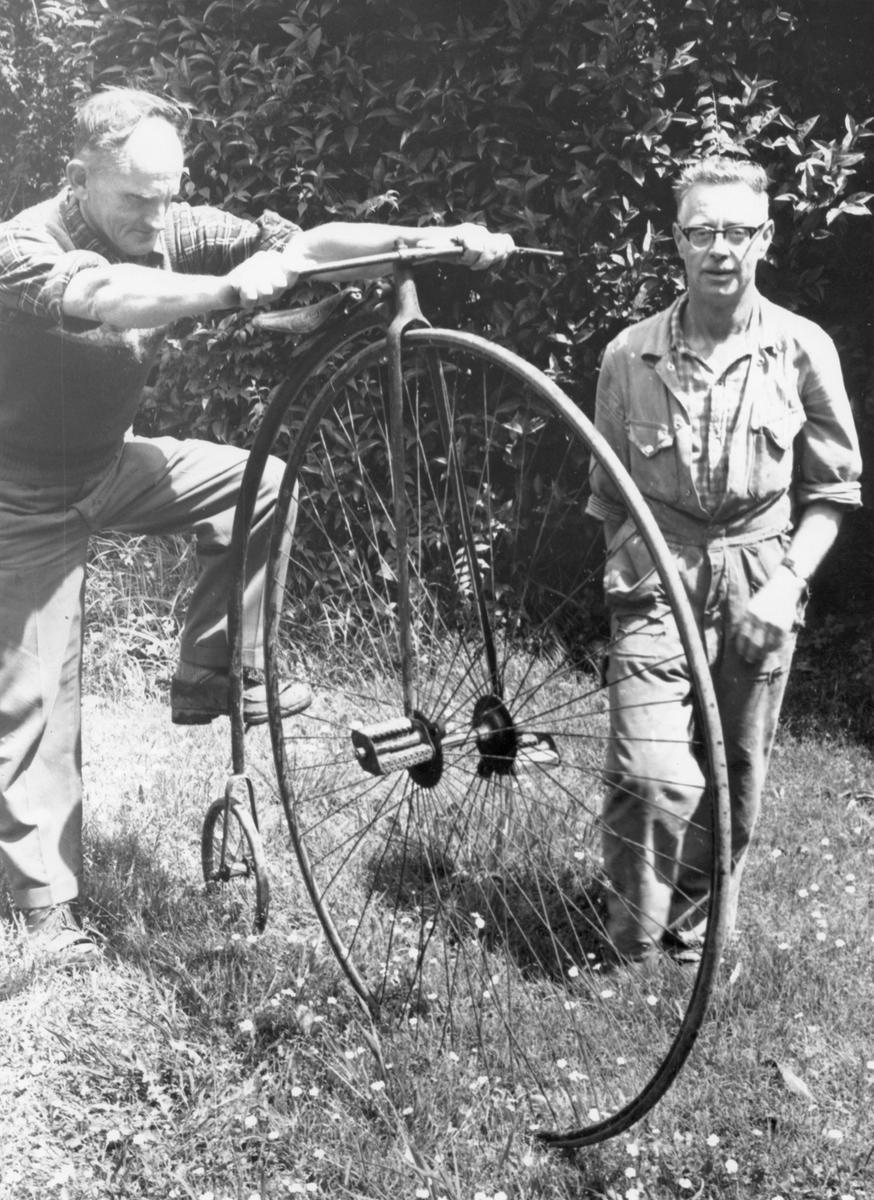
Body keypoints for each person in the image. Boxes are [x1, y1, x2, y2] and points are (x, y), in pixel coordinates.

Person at [0, 87, 514, 965]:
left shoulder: (167, 221)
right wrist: (230, 288)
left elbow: (306, 245)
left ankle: (211, 669)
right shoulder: (23, 246)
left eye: (170, 195)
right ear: (79, 175)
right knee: (39, 703)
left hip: (106, 463)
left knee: (261, 484)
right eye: (135, 198)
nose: (158, 218)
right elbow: (113, 297)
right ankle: (46, 911)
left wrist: (421, 241)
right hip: (20, 494)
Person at [588, 156, 861, 966]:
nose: (720, 249)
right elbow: (607, 496)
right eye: (702, 231)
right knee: (649, 770)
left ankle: (692, 935)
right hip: (654, 571)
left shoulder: (802, 349)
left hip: (761, 573)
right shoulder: (626, 355)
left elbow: (834, 492)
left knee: (735, 774)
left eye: (737, 232)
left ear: (765, 239)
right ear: (675, 241)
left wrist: (785, 585)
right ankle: (628, 948)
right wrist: (637, 578)